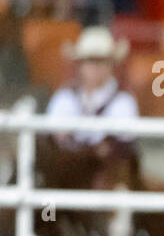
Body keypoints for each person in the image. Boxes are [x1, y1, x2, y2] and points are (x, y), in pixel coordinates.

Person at [45, 26, 138, 157]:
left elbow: (121, 143)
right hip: (68, 168)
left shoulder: (123, 101)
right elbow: (57, 136)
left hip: (107, 170)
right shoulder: (65, 97)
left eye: (101, 61)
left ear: (111, 64)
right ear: (80, 64)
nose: (95, 67)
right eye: (90, 60)